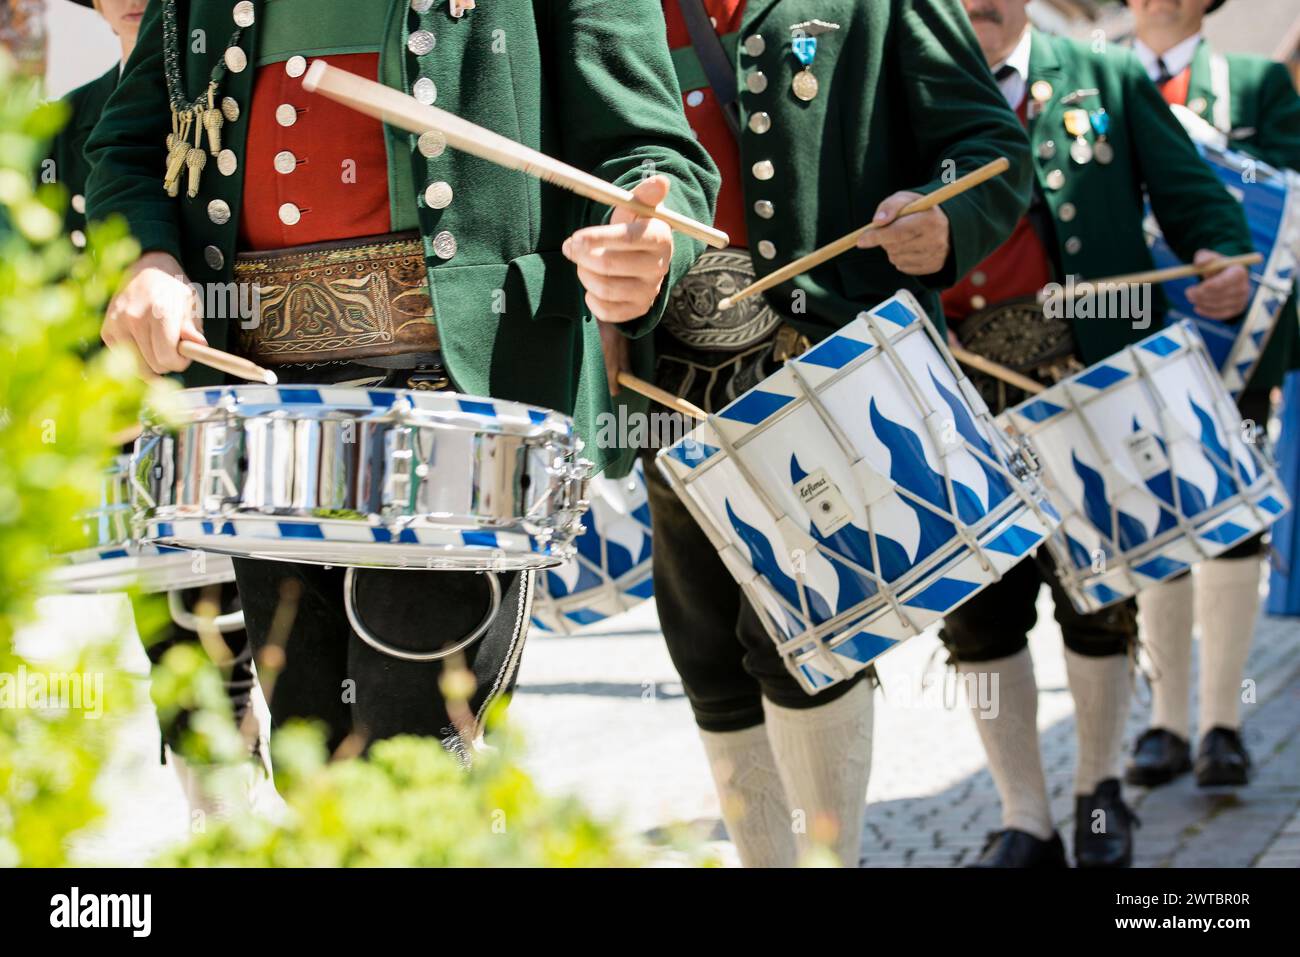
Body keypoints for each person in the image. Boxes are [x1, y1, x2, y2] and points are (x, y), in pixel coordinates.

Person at [86, 1, 718, 758]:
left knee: (414, 745)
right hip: (264, 412)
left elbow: (650, 154)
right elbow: (127, 148)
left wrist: (648, 242)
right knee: (311, 755)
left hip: (460, 407)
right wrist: (147, 259)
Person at [632, 0, 1032, 867]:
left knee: (808, 632)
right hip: (665, 375)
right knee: (705, 645)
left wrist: (940, 217)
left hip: (822, 364)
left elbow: (988, 142)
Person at [943, 0, 1254, 868]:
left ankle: (1098, 792)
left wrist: (1221, 258)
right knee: (981, 613)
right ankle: (1025, 815)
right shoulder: (914, 86)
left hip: (1098, 387)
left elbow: (1193, 197)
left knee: (1103, 595)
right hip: (961, 397)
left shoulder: (1108, 76)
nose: (978, 6)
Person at [50, 0, 259, 815]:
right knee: (193, 673)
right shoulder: (64, 126)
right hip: (148, 443)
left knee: (312, 665)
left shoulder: (247, 82)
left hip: (276, 416)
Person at [1124, 0, 1300, 791]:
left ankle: (1222, 723)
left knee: (1231, 523)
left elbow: (1288, 195)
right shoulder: (1099, 75)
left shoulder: (1258, 81)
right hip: (1133, 337)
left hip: (1239, 343)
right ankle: (1164, 723)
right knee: (1156, 519)